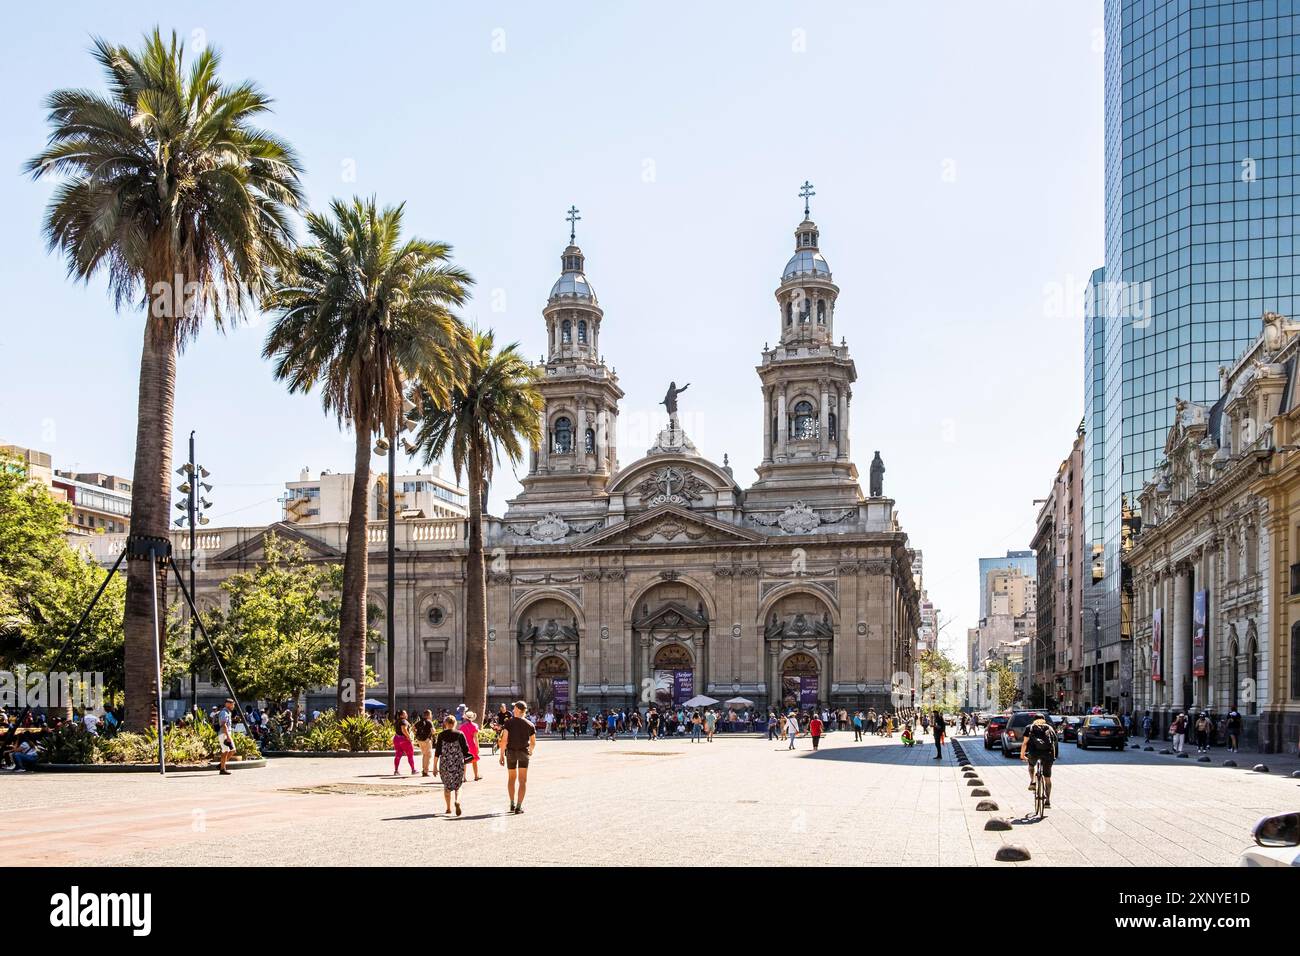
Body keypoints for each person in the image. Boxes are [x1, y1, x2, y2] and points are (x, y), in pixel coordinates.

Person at [498, 700, 536, 814]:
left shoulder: (508, 723)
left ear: (519, 710)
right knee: (523, 780)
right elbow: (533, 742)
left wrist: (501, 755)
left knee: (511, 779)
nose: (513, 710)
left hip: (511, 753)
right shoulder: (530, 724)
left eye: (514, 708)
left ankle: (512, 804)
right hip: (523, 752)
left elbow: (504, 740)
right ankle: (519, 807)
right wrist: (531, 751)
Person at [433, 715, 472, 817]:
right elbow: (466, 750)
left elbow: (437, 752)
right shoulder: (460, 734)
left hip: (444, 764)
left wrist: (434, 767)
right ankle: (457, 801)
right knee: (458, 786)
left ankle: (448, 808)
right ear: (455, 723)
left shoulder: (441, 735)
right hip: (457, 763)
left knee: (447, 786)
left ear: (445, 724)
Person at [1019, 714, 1058, 808]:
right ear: (1044, 720)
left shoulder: (1030, 727)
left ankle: (1032, 781)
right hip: (1048, 754)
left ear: (1034, 720)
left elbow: (1024, 743)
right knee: (1047, 778)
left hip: (1034, 752)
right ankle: (1048, 801)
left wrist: (1022, 755)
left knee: (1031, 764)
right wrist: (1053, 756)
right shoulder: (1049, 728)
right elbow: (1054, 742)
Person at [392, 709, 417, 776]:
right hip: (404, 740)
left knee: (398, 755)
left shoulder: (397, 721)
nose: (407, 714)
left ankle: (396, 770)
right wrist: (409, 738)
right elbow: (404, 729)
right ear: (402, 715)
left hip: (396, 739)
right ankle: (413, 769)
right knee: (410, 755)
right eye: (405, 713)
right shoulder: (404, 721)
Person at [459, 710, 482, 781]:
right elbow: (476, 738)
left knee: (464, 761)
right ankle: (476, 776)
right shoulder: (475, 726)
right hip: (472, 745)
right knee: (474, 761)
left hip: (464, 745)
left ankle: (463, 777)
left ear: (465, 718)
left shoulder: (462, 727)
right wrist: (477, 747)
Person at [217, 698, 237, 775]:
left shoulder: (228, 712)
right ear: (227, 704)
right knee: (225, 751)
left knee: (233, 750)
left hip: (226, 734)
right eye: (232, 704)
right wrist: (228, 736)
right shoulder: (224, 712)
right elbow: (224, 725)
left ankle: (221, 764)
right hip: (224, 734)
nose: (233, 706)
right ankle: (222, 769)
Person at [415, 709, 436, 777]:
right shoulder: (429, 722)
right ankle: (425, 771)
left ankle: (424, 770)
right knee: (428, 756)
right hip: (427, 741)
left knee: (424, 755)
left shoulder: (420, 721)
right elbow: (433, 731)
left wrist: (417, 735)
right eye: (431, 714)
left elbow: (413, 728)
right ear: (429, 715)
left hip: (420, 740)